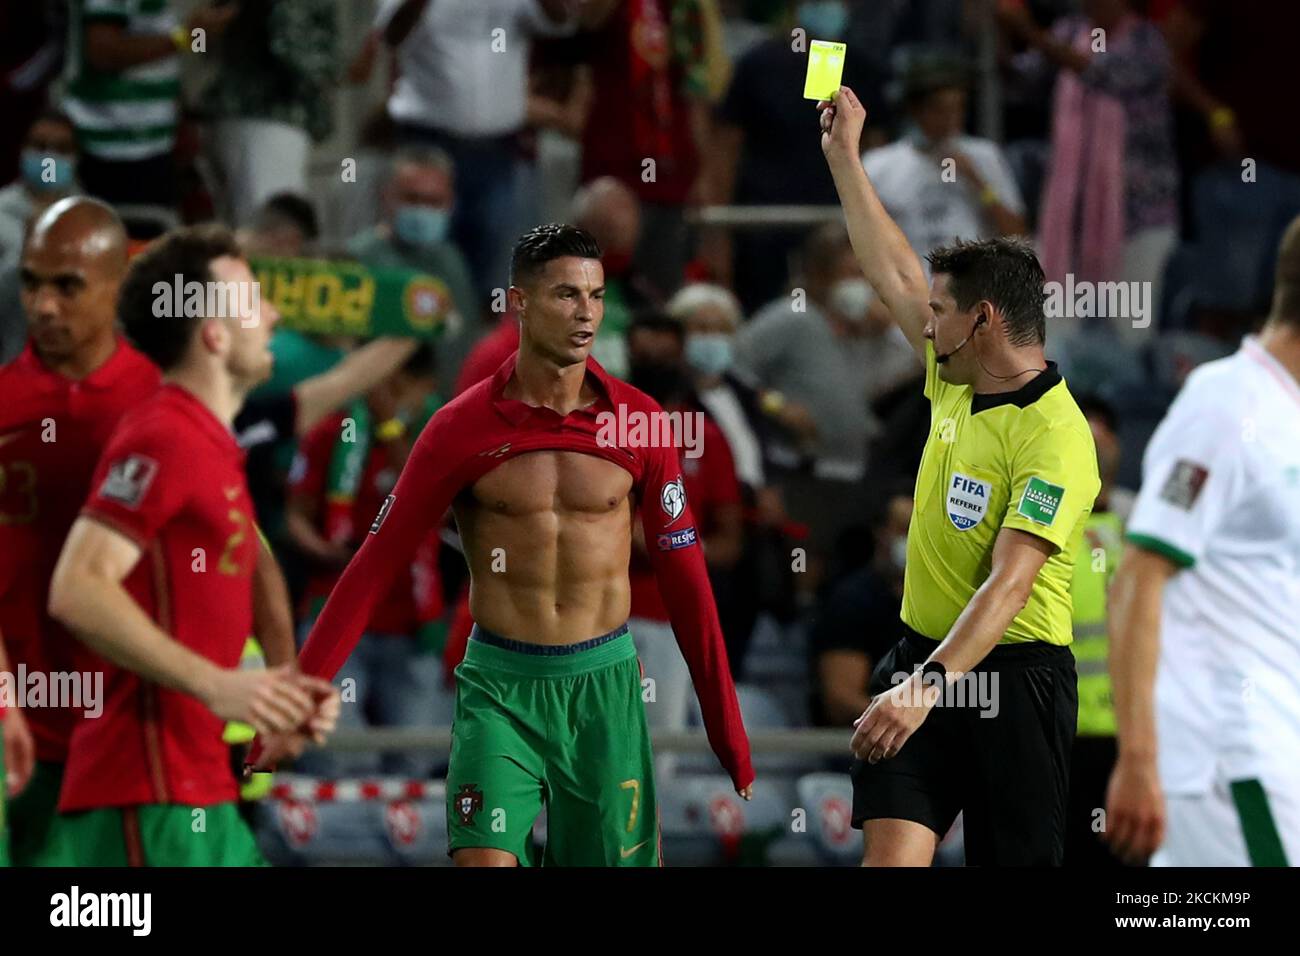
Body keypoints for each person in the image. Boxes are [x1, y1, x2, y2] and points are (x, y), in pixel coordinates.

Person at [257, 224, 754, 866]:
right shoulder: (456, 428)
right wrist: (301, 696)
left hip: (603, 687)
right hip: (500, 686)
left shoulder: (642, 423)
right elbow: (372, 567)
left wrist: (726, 729)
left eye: (597, 296)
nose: (586, 313)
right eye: (566, 295)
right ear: (519, 303)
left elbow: (688, 585)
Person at [820, 85, 1100, 866]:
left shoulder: (1056, 435)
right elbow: (896, 274)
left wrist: (927, 685)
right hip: (921, 657)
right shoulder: (954, 375)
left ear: (984, 322)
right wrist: (845, 156)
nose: (922, 319)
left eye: (941, 312)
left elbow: (1009, 584)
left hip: (1015, 685)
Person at [46, 224, 339, 866]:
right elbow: (76, 588)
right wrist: (217, 686)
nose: (274, 312)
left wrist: (277, 698)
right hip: (148, 797)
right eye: (253, 297)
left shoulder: (212, 448)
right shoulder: (164, 436)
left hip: (200, 795)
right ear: (214, 334)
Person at [1105, 217, 1300, 868]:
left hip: (1271, 755)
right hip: (1233, 761)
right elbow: (1137, 575)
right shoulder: (1225, 405)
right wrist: (1137, 758)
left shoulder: (1284, 413)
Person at [0, 198, 162, 865]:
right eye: (31, 282)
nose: (43, 305)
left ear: (116, 286)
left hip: (132, 734)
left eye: (66, 286)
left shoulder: (165, 404)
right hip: (16, 728)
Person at [285, 345, 449, 778]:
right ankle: (337, 844)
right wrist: (324, 550)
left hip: (410, 623)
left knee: (413, 757)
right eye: (385, 386)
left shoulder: (439, 437)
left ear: (426, 388)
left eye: (402, 389)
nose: (390, 398)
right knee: (341, 753)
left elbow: (428, 502)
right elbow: (296, 515)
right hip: (337, 613)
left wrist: (392, 426)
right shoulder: (332, 432)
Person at [1000, 0, 1179, 343]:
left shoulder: (1147, 42)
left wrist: (1029, 31)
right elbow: (1022, 80)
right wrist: (1000, 33)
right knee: (1053, 332)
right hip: (1069, 219)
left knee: (1131, 332)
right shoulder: (1069, 31)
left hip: (1140, 216)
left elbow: (1100, 71)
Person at [375, 0, 576, 298]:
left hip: (498, 151)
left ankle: (481, 342)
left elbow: (560, 20)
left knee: (497, 271)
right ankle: (411, 339)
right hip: (428, 145)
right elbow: (390, 35)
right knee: (422, 263)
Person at [625, 311, 743, 779]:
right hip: (594, 614)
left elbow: (731, 543)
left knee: (658, 759)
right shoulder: (601, 431)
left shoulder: (706, 439)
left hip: (672, 622)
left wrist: (670, 546)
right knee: (580, 749)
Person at [62, 0, 237, 221]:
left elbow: (187, 48)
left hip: (155, 139)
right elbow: (102, 53)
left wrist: (181, 117)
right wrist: (185, 37)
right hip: (111, 142)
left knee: (153, 238)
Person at [861, 51, 1027, 262]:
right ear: (915, 110)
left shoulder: (984, 155)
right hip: (910, 284)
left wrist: (977, 181)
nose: (951, 119)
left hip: (971, 286)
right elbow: (864, 241)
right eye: (940, 109)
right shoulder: (879, 165)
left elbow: (1018, 236)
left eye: (957, 108)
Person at [348, 147, 479, 391]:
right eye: (412, 199)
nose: (422, 210)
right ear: (386, 197)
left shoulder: (452, 260)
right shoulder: (358, 259)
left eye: (433, 201)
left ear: (450, 202)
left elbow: (462, 338)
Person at [203, 0, 339, 227]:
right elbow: (294, 46)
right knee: (273, 226)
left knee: (256, 222)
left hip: (257, 119)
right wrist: (342, 68)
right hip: (267, 119)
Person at [1064, 395, 1127, 867]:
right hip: (1066, 735)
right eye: (1086, 429)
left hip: (1134, 736)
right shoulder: (1046, 526)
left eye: (1104, 430)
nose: (1097, 439)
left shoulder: (1143, 529)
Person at [809, 491, 913, 729]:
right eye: (903, 528)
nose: (912, 537)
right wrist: (911, 724)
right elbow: (840, 701)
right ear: (881, 533)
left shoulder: (940, 598)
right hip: (858, 743)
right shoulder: (852, 600)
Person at [0, 110, 80, 363]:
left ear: (75, 157)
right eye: (40, 146)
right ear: (22, 149)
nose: (49, 159)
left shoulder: (91, 217)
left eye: (60, 149)